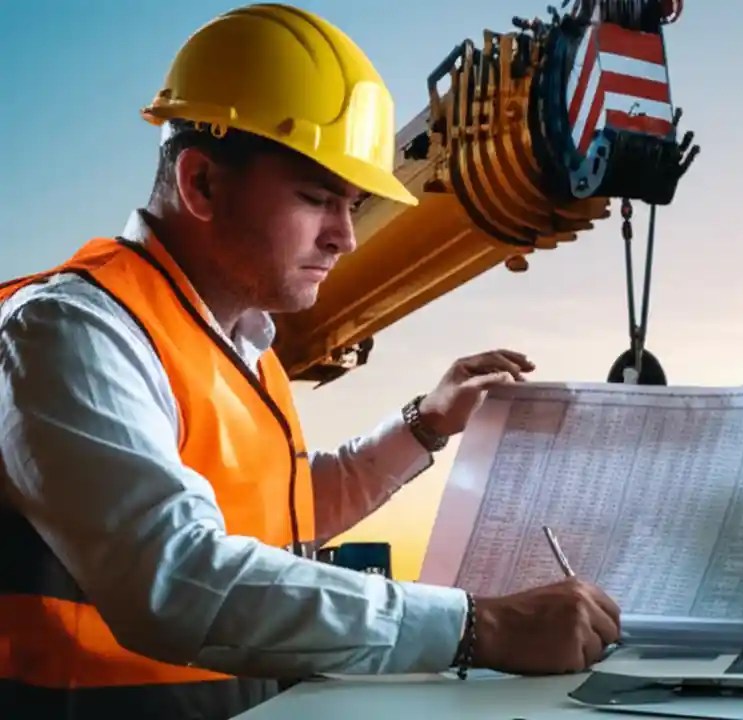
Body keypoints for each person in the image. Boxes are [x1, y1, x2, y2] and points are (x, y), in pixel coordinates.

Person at [0, 4, 621, 718]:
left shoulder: (245, 347)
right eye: (319, 199)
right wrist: (481, 627)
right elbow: (174, 576)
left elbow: (281, 512)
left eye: (353, 205)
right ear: (201, 183)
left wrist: (421, 427)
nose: (346, 239)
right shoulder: (69, 331)